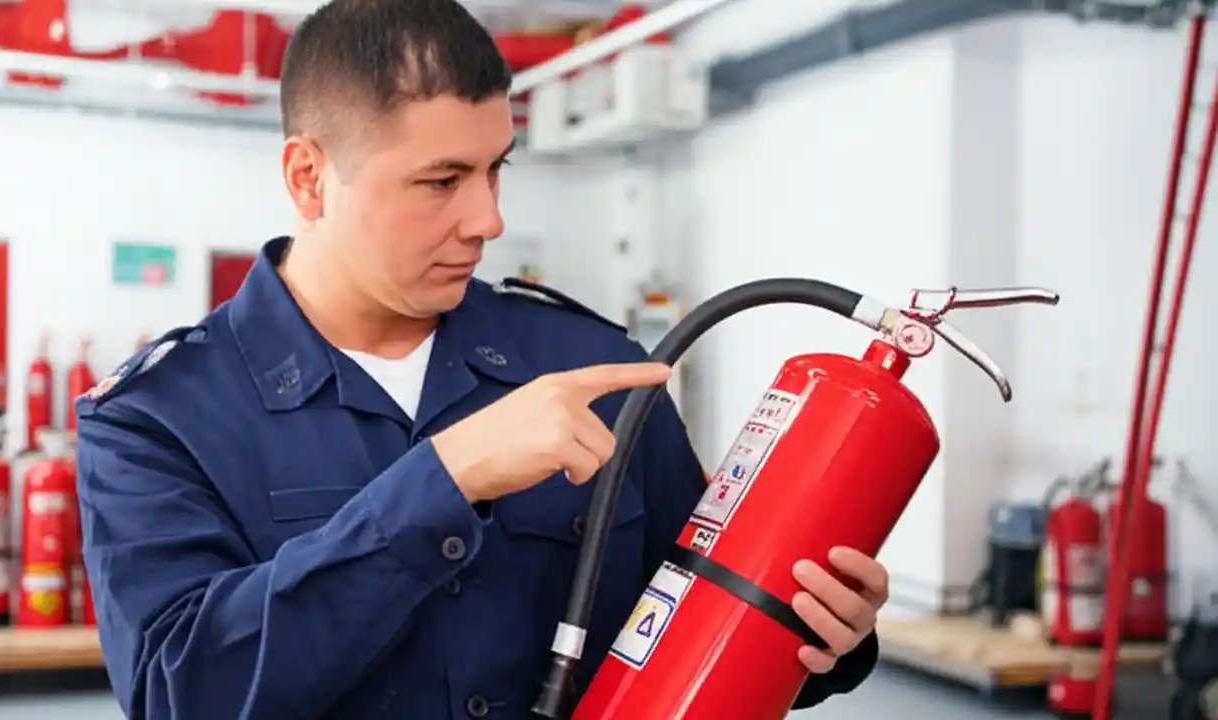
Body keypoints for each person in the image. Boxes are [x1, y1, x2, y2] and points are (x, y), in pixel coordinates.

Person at [74, 1, 890, 717]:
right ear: (309, 177)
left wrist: (818, 634)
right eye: (441, 181)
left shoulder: (592, 368)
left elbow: (698, 631)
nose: (488, 219)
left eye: (496, 169)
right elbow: (182, 695)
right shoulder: (157, 418)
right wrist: (444, 479)